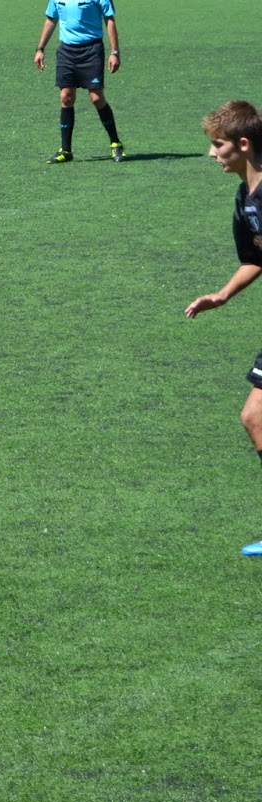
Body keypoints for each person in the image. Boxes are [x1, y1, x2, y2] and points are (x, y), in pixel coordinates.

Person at [183, 100, 262, 557]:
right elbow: (255, 258)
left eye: (218, 145)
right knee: (255, 418)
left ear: (243, 144)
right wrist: (223, 294)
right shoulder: (244, 198)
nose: (213, 154)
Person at [34, 0, 124, 164]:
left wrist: (115, 52)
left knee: (96, 97)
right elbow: (51, 18)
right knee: (66, 97)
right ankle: (65, 150)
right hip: (67, 50)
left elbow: (109, 20)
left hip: (91, 49)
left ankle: (115, 143)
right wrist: (40, 48)